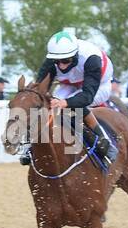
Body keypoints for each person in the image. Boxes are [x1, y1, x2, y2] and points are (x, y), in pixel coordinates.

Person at [23, 29, 114, 167]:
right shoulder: (53, 59)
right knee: (50, 105)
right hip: (70, 84)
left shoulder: (92, 59)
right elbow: (40, 90)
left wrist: (65, 103)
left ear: (76, 54)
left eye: (65, 60)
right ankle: (30, 147)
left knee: (74, 105)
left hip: (99, 85)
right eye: (57, 61)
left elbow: (87, 96)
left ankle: (105, 142)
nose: (61, 65)